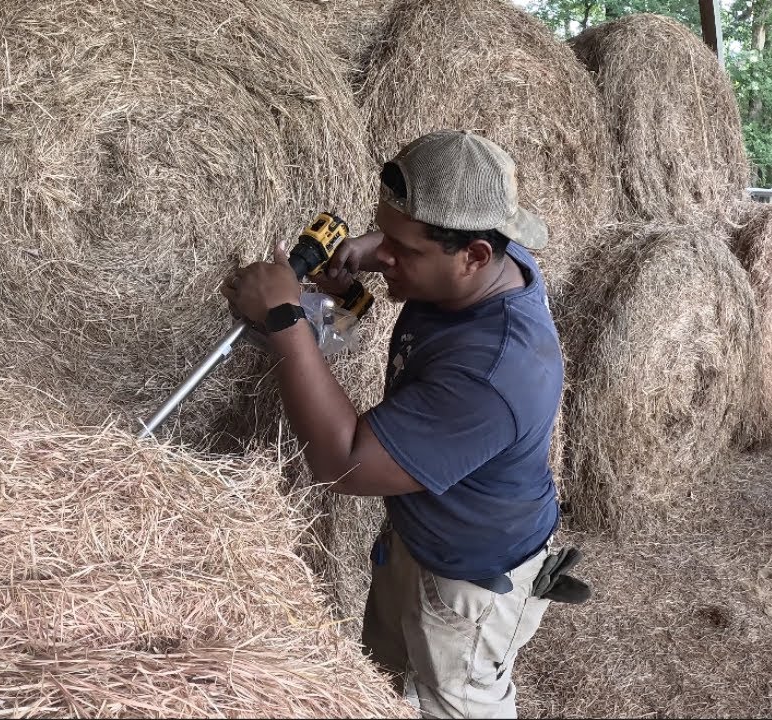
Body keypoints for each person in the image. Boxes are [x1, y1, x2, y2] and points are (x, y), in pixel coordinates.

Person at [222, 130, 586, 719]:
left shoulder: (494, 373)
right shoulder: (491, 263)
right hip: (422, 540)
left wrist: (286, 318)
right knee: (383, 692)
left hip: (467, 584)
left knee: (452, 702)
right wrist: (372, 256)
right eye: (381, 231)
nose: (384, 252)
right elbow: (413, 255)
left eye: (403, 247)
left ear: (473, 256)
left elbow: (342, 463)